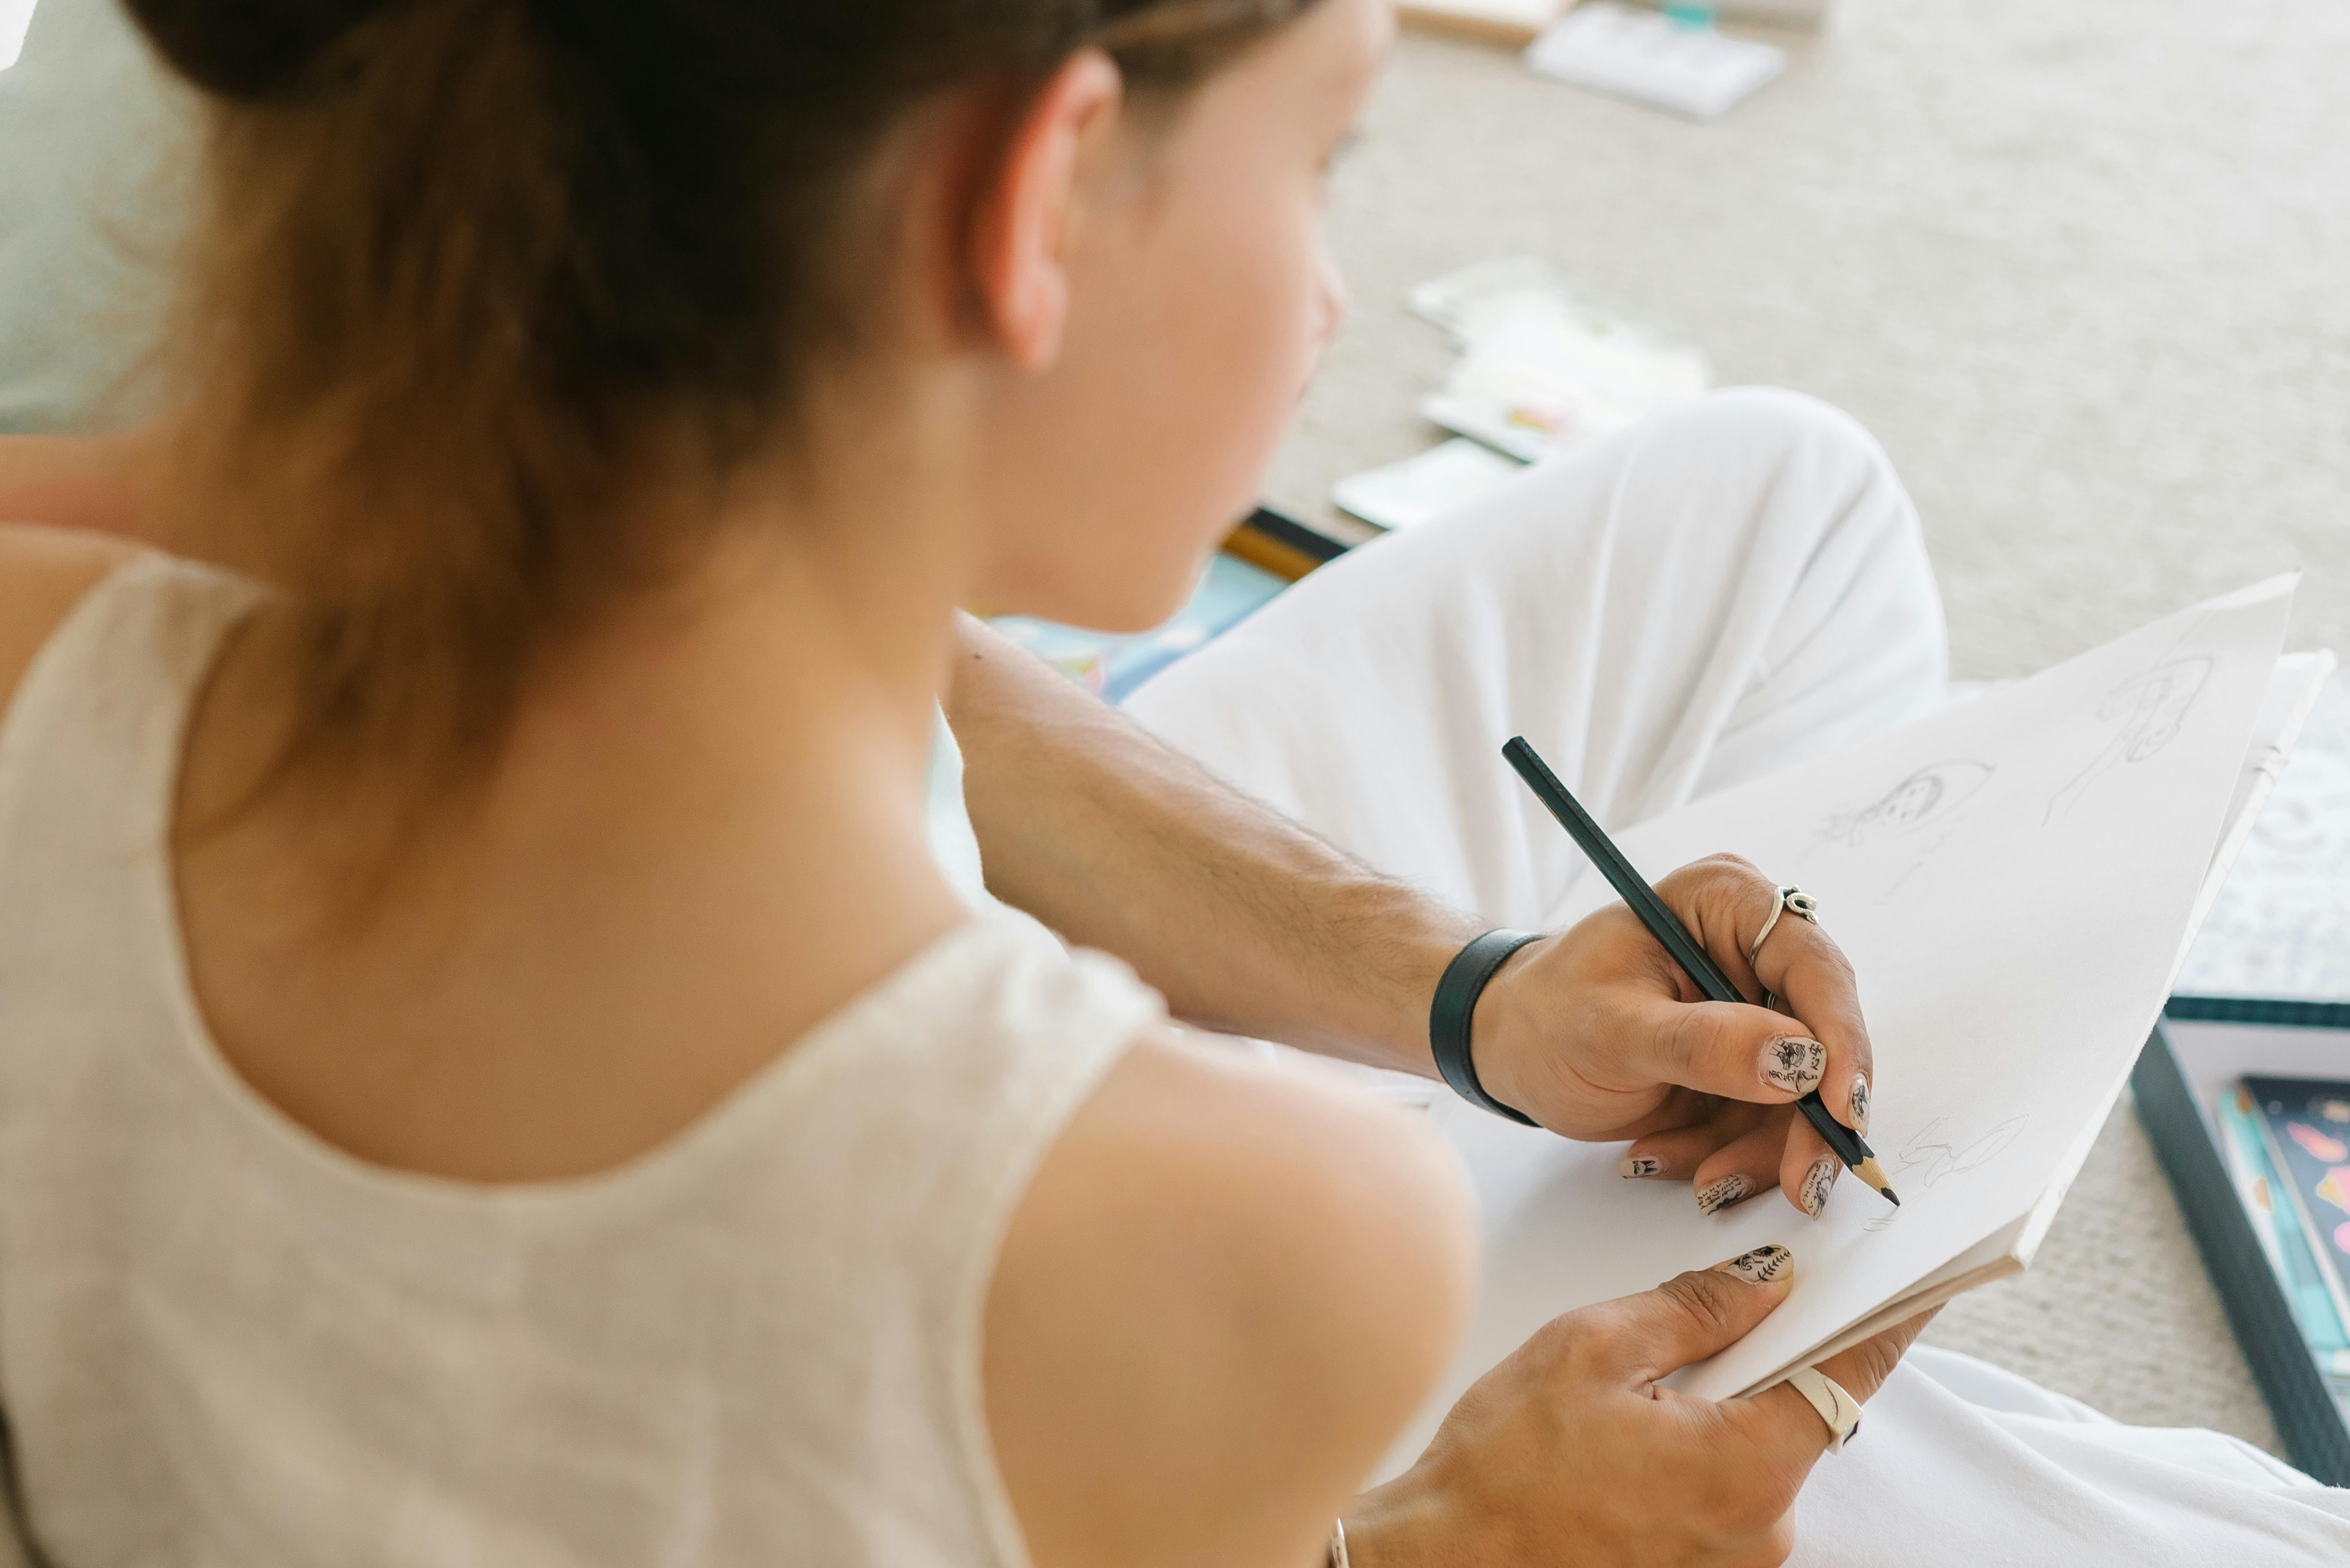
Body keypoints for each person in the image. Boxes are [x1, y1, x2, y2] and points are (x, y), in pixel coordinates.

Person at [0, 3, 2344, 1567]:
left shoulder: (71, 622)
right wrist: (1424, 1550)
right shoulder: (1259, 1247)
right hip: (1084, 1329)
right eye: (1327, 154)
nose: (1335, 292)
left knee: (1778, 497)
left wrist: (1477, 998)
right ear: (1038, 195)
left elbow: (880, 674)